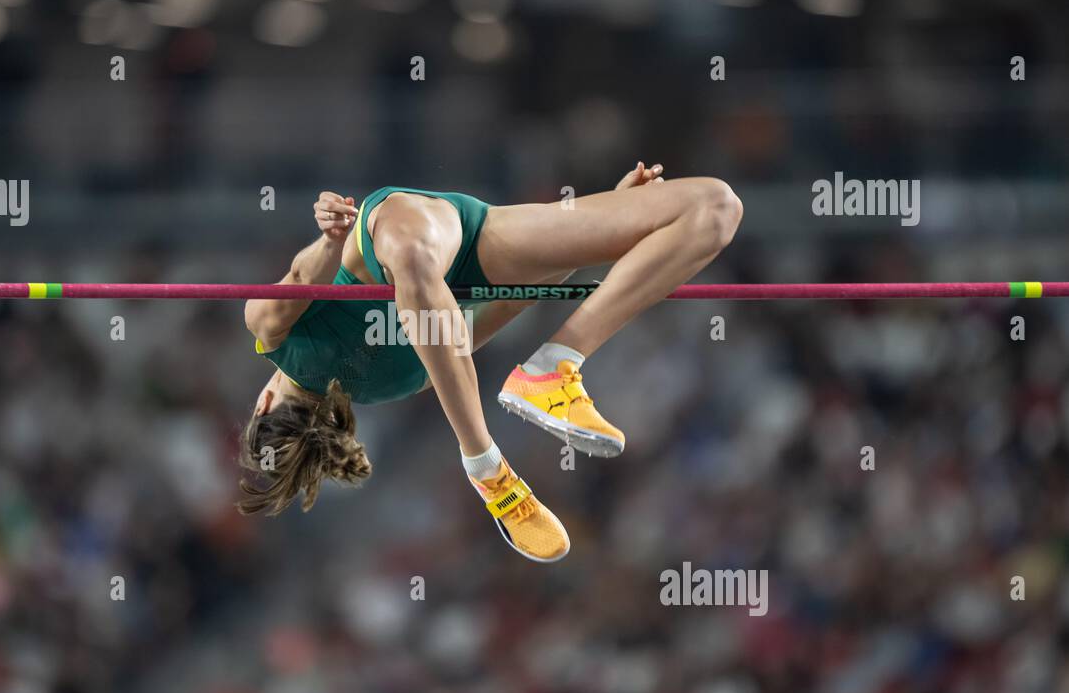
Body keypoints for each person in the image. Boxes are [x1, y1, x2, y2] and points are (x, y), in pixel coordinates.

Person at [239, 164, 742, 562]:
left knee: (414, 263)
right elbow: (306, 272)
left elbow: (510, 303)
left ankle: (521, 415)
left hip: (453, 242)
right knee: (715, 207)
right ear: (262, 403)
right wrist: (330, 235)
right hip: (457, 241)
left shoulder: (392, 384)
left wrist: (606, 225)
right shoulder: (270, 331)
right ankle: (523, 407)